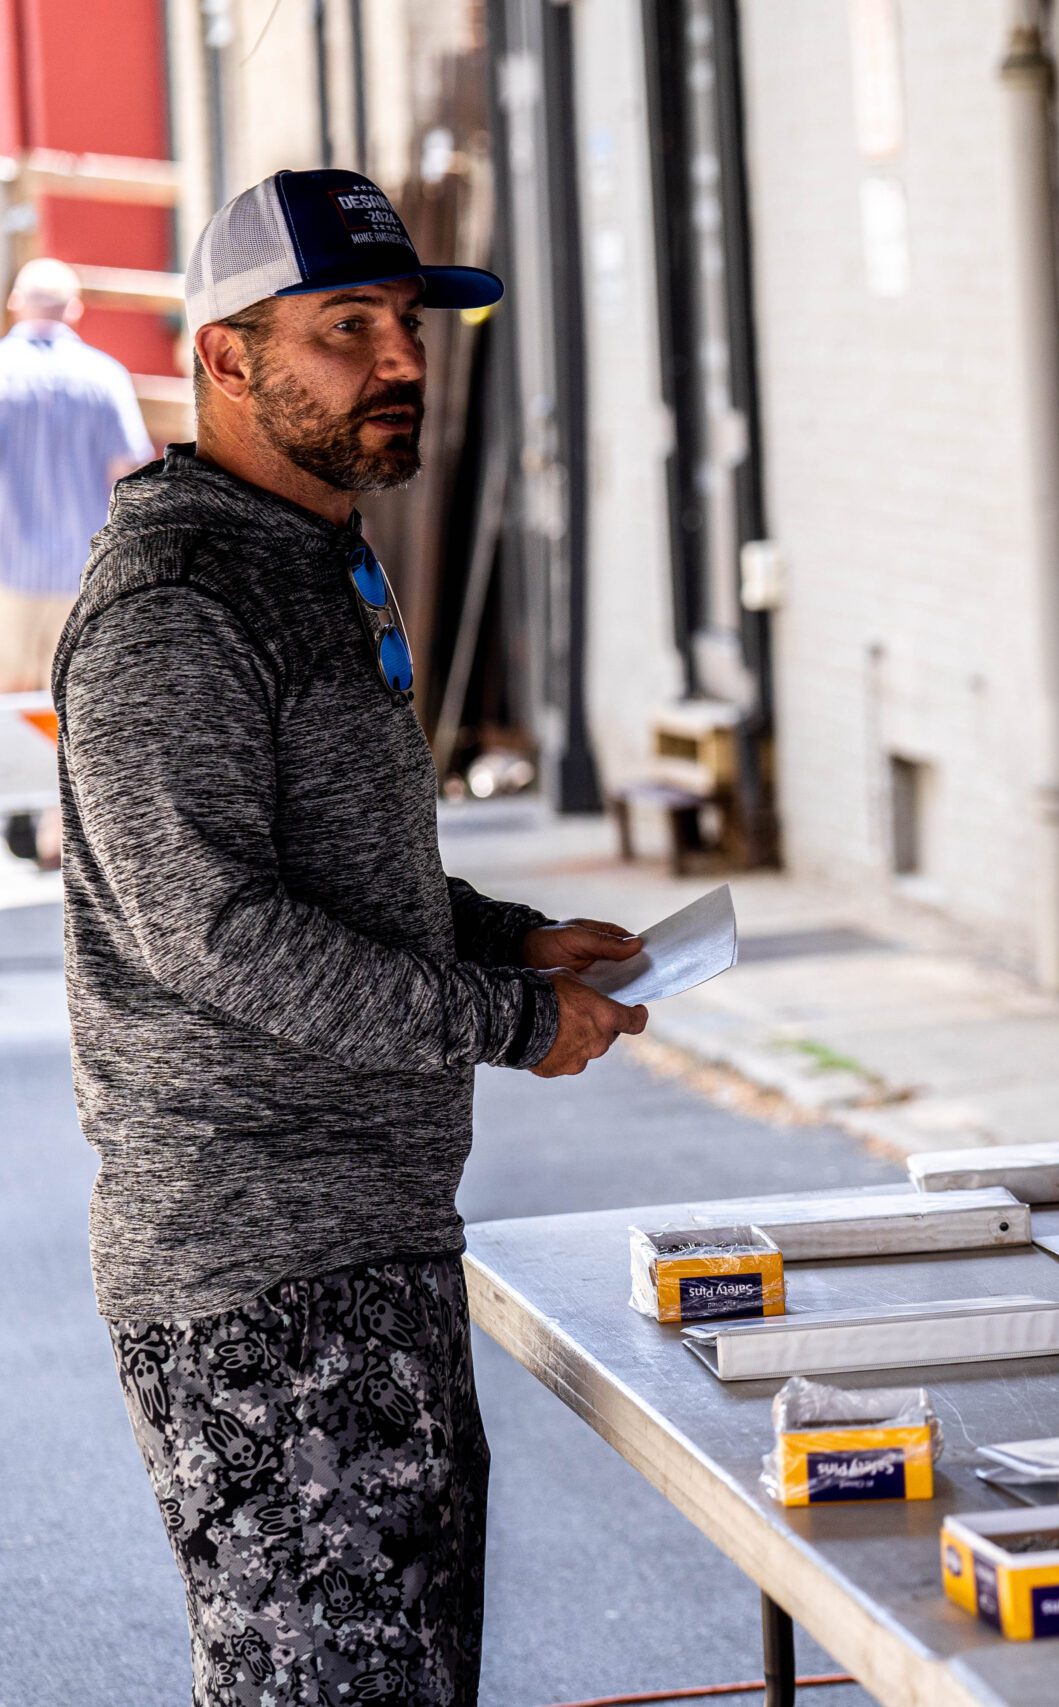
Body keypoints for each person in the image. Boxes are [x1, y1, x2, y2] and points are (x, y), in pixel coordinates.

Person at [55, 169, 648, 1706]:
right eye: (344, 328)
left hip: (373, 1244)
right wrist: (507, 1021)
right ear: (225, 358)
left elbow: (339, 878)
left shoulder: (312, 557)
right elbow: (221, 930)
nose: (398, 360)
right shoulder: (176, 603)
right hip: (261, 1280)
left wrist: (513, 940)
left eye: (406, 323)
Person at [0, 257, 151, 692]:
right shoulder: (105, 377)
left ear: (14, 302)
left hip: (7, 574)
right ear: (73, 309)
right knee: (67, 710)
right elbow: (130, 476)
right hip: (80, 578)